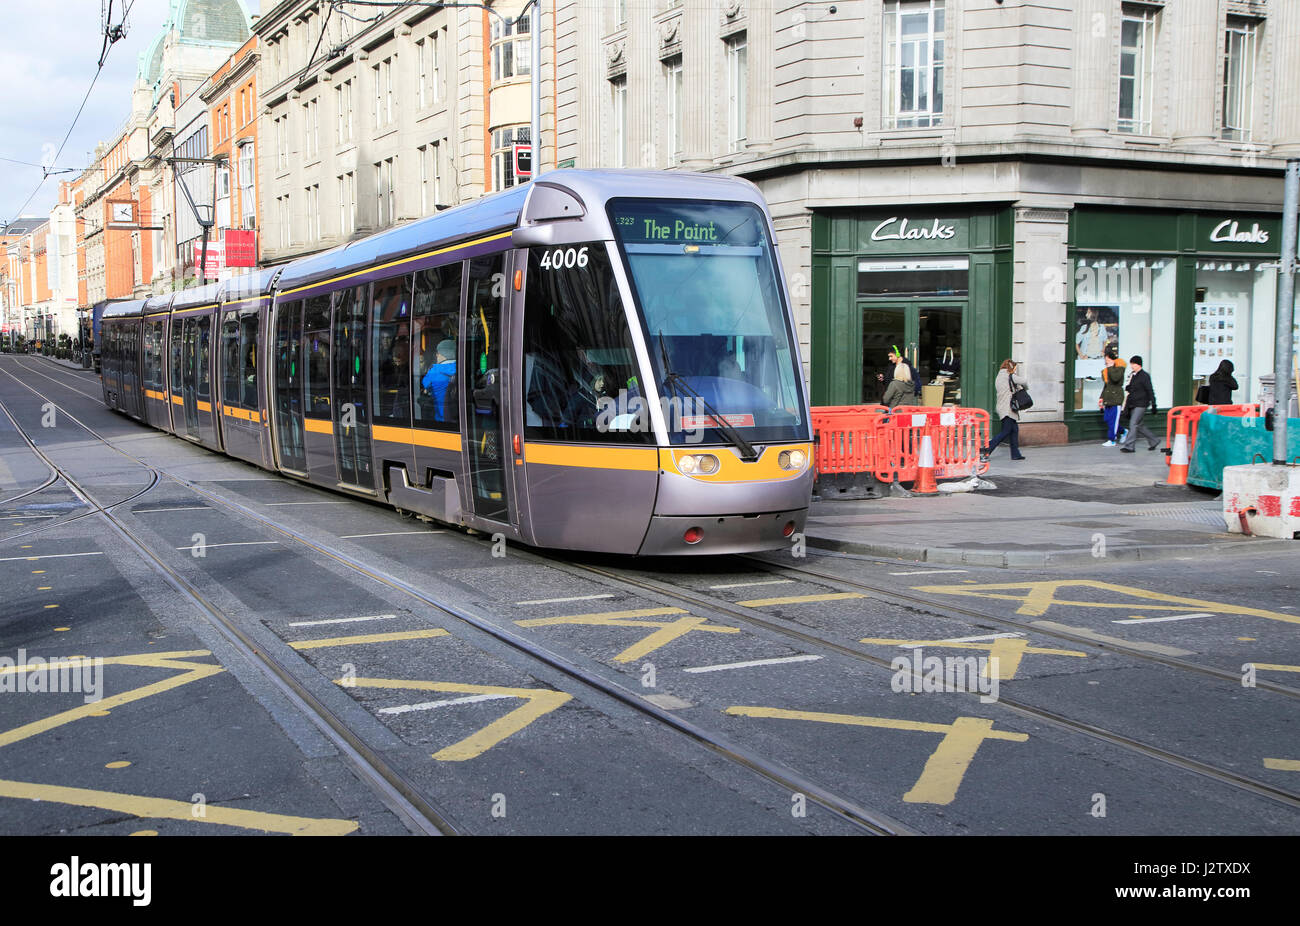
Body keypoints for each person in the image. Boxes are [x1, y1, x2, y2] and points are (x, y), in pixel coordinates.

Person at [982, 359, 1028, 461]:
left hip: (1002, 406)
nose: (1015, 370)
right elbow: (1024, 381)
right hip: (1008, 408)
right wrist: (1024, 387)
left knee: (1014, 430)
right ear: (1011, 368)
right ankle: (987, 449)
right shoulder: (1009, 376)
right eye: (1015, 368)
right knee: (1006, 431)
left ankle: (1015, 454)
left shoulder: (999, 376)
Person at [1119, 355, 1160, 452]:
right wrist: (1129, 388)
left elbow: (1150, 390)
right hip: (1134, 403)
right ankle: (1154, 440)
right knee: (1139, 425)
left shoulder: (1144, 376)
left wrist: (1154, 404)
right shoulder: (1133, 375)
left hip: (1141, 404)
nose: (1132, 366)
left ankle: (1129, 446)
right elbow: (1134, 388)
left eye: (1133, 364)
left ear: (1139, 364)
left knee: (1133, 424)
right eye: (1131, 364)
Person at [420, 339, 456, 421]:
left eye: (437, 354)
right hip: (458, 417)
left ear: (441, 355)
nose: (436, 356)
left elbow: (424, 384)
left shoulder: (435, 371)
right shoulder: (462, 367)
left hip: (441, 420)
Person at [1098, 348, 1125, 446]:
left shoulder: (1119, 368)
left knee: (1113, 420)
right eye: (1106, 361)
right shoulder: (1106, 370)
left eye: (1108, 360)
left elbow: (1115, 378)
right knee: (1107, 419)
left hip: (1116, 397)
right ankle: (1123, 432)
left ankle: (1112, 440)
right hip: (1108, 397)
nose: (1106, 362)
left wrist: (1110, 368)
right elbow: (1106, 385)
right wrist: (1101, 397)